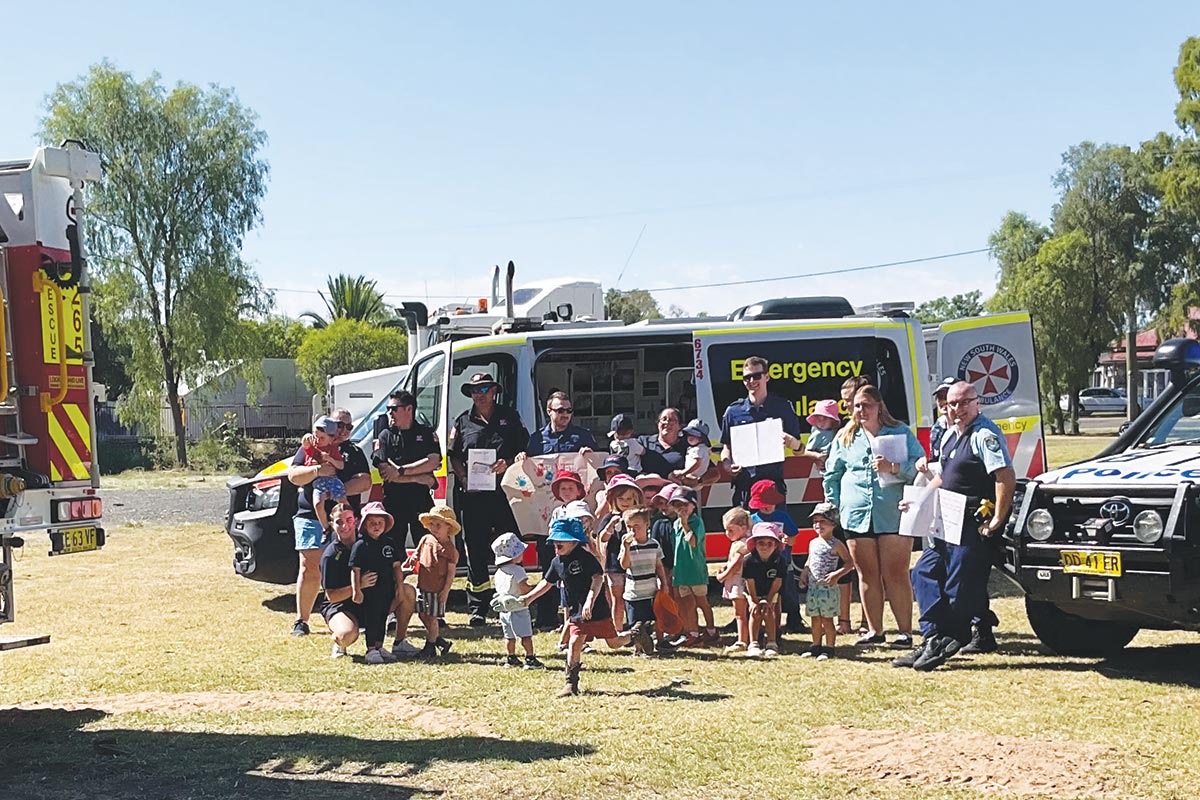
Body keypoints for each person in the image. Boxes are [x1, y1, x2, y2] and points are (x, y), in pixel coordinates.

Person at [895, 381, 1015, 671]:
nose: (957, 409)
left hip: (971, 522)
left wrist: (998, 518)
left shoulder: (984, 435)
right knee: (924, 572)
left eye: (963, 403)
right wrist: (918, 500)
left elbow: (1004, 476)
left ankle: (953, 636)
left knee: (959, 585)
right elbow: (943, 478)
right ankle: (933, 636)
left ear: (977, 403)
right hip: (945, 522)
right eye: (952, 404)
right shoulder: (950, 434)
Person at [823, 385, 925, 648]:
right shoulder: (845, 437)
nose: (861, 410)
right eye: (856, 405)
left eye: (866, 404)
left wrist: (894, 468)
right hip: (856, 513)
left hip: (893, 511)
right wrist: (833, 503)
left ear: (879, 406)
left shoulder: (900, 432)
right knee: (866, 573)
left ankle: (904, 632)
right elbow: (832, 473)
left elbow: (919, 467)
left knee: (896, 573)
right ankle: (875, 630)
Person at [520, 517, 643, 697]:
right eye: (554, 539)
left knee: (614, 643)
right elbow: (546, 583)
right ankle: (571, 684)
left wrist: (590, 600)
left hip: (597, 609)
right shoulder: (556, 562)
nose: (556, 543)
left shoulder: (585, 558)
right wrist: (528, 598)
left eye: (561, 539)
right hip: (577, 612)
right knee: (574, 642)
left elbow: (598, 578)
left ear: (574, 541)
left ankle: (636, 633)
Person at [447, 372, 529, 625]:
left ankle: (514, 596)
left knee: (511, 545)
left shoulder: (510, 418)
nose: (479, 394)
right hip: (474, 498)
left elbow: (523, 449)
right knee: (476, 549)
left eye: (484, 389)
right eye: (474, 390)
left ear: (494, 391)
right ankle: (478, 607)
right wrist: (463, 478)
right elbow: (454, 456)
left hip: (505, 494)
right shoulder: (462, 422)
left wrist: (509, 463)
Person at [286, 409, 371, 637]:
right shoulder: (311, 446)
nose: (343, 430)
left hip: (344, 519)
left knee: (347, 569)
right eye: (338, 425)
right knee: (309, 567)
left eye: (348, 427)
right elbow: (293, 476)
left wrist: (337, 491)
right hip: (309, 516)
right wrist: (317, 471)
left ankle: (348, 617)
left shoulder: (353, 451)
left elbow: (365, 481)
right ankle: (301, 621)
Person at [321, 502, 418, 660]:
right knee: (347, 634)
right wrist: (358, 586)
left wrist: (401, 574)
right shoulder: (331, 555)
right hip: (342, 605)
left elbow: (389, 565)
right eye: (339, 522)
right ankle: (340, 641)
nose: (345, 525)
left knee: (407, 591)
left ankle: (399, 642)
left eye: (349, 520)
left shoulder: (372, 540)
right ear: (332, 524)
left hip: (373, 598)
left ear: (357, 521)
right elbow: (331, 597)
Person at [719, 356, 802, 509]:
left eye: (756, 376)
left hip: (772, 485)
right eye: (746, 377)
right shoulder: (733, 411)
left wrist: (793, 443)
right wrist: (726, 464)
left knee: (774, 531)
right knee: (743, 532)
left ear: (767, 377)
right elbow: (727, 447)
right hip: (744, 486)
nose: (751, 381)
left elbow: (800, 449)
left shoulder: (782, 407)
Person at [372, 390, 441, 549]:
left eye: (394, 409)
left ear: (408, 409)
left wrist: (402, 471)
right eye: (388, 409)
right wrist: (419, 477)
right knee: (392, 551)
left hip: (420, 500)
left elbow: (433, 461)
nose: (390, 413)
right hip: (394, 501)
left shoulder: (426, 433)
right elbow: (386, 473)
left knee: (428, 547)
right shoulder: (386, 435)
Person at [748, 479, 806, 634]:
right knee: (763, 595)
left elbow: (793, 537)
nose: (767, 507)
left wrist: (788, 540)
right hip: (759, 565)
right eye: (763, 504)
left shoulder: (783, 516)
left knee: (784, 594)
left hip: (781, 562)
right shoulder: (752, 519)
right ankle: (760, 627)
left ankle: (786, 623)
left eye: (770, 503)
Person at [349, 502, 404, 664]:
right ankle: (371, 648)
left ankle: (380, 646)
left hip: (387, 589)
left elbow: (396, 567)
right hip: (370, 591)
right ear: (365, 525)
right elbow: (355, 569)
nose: (376, 526)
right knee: (372, 618)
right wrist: (356, 590)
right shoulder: (360, 545)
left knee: (382, 618)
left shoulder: (389, 543)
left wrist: (399, 587)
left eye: (380, 523)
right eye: (372, 523)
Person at [799, 503, 855, 661]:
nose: (818, 525)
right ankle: (815, 646)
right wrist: (804, 573)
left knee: (827, 620)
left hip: (828, 590)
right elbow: (810, 560)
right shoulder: (813, 542)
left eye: (823, 521)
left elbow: (849, 563)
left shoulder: (836, 544)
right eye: (815, 521)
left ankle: (829, 648)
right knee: (815, 619)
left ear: (833, 524)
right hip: (813, 589)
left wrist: (836, 575)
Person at [664, 487, 716, 648]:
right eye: (677, 505)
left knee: (702, 601)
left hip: (696, 570)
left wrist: (686, 524)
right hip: (681, 570)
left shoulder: (696, 522)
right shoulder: (675, 524)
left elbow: (693, 542)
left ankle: (711, 630)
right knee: (686, 603)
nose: (681, 509)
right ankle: (692, 632)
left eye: (685, 505)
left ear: (693, 505)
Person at [410, 504, 460, 659]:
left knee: (432, 617)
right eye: (432, 524)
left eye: (439, 525)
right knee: (422, 614)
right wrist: (412, 559)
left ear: (448, 528)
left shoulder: (449, 549)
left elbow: (451, 573)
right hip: (423, 585)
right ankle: (439, 640)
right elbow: (417, 554)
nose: (434, 528)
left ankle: (430, 646)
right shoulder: (426, 539)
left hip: (437, 588)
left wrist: (445, 591)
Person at [596, 473, 644, 630]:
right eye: (621, 499)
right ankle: (617, 630)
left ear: (636, 499)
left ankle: (635, 627)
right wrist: (610, 526)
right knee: (617, 598)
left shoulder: (639, 517)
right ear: (613, 500)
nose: (625, 502)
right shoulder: (610, 517)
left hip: (636, 563)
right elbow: (602, 538)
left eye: (629, 499)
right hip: (614, 564)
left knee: (635, 597)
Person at [618, 506, 667, 656]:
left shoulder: (654, 544)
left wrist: (664, 583)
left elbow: (659, 565)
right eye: (629, 527)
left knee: (652, 620)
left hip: (651, 590)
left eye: (636, 527)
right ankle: (638, 649)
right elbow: (624, 565)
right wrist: (626, 548)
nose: (632, 531)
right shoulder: (628, 545)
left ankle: (658, 643)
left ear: (647, 525)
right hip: (634, 592)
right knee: (635, 624)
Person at [489, 532, 543, 669]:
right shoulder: (518, 571)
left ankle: (511, 657)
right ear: (514, 555)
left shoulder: (498, 572)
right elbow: (524, 588)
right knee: (526, 635)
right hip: (519, 607)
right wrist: (536, 589)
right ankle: (530, 658)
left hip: (504, 610)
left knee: (509, 636)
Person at [743, 522, 786, 658]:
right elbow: (749, 582)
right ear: (755, 543)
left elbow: (777, 581)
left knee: (769, 612)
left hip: (771, 590)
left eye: (769, 543)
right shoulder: (748, 561)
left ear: (776, 545)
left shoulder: (779, 560)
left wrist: (768, 599)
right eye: (761, 543)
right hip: (753, 590)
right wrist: (754, 600)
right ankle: (753, 643)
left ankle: (772, 643)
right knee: (755, 613)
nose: (765, 547)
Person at [716, 507, 752, 654]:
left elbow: (737, 563)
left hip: (739, 582)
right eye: (726, 530)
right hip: (737, 580)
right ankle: (746, 638)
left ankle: (742, 640)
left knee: (740, 613)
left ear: (743, 528)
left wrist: (723, 576)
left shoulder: (742, 544)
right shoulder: (740, 542)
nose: (727, 534)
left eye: (731, 530)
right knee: (741, 612)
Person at [303, 415, 346, 533]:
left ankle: (350, 520)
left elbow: (341, 466)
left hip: (332, 479)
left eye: (322, 438)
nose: (317, 441)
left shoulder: (333, 449)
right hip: (318, 482)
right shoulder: (312, 447)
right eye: (315, 436)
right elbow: (305, 444)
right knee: (317, 504)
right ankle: (325, 528)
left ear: (331, 439)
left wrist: (330, 459)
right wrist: (307, 437)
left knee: (342, 501)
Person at [524, 391, 597, 457]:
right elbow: (530, 466)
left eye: (569, 410)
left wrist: (591, 455)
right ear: (549, 411)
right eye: (560, 410)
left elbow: (599, 464)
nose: (565, 414)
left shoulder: (584, 436)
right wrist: (522, 459)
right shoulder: (537, 438)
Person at [916, 377, 956, 479]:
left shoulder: (964, 426)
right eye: (940, 397)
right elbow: (935, 456)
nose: (943, 401)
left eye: (947, 397)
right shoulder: (939, 424)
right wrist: (923, 461)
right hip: (939, 481)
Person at [636, 407, 690, 480]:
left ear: (680, 426)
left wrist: (697, 482)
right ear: (658, 423)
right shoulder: (643, 442)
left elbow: (709, 471)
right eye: (663, 419)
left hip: (676, 489)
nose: (667, 422)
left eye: (672, 420)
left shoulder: (687, 445)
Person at [802, 399, 841, 469]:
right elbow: (806, 451)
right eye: (818, 418)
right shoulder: (817, 433)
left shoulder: (838, 431)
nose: (821, 422)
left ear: (832, 420)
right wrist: (818, 456)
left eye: (825, 418)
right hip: (826, 465)